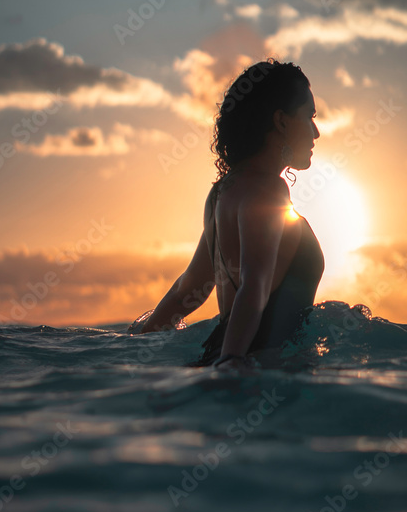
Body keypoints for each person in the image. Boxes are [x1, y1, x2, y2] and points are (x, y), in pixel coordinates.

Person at [134, 58, 324, 371]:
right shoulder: (270, 192)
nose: (315, 132)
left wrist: (138, 342)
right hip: (262, 365)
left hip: (215, 354)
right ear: (281, 121)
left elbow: (190, 289)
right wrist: (232, 363)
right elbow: (255, 284)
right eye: (309, 116)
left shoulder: (221, 193)